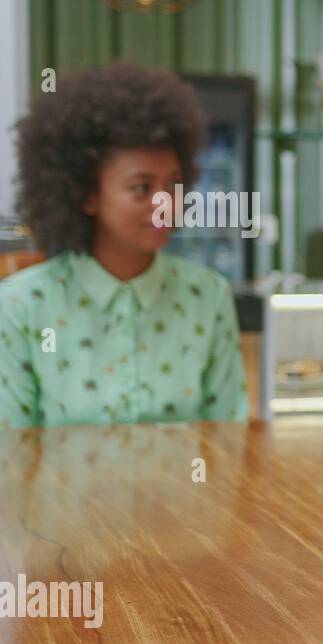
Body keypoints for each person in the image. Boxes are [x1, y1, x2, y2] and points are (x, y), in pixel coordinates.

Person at [0, 62, 246, 429]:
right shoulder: (22, 306)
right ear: (87, 195)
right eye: (141, 188)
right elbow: (11, 457)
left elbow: (229, 441)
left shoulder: (207, 297)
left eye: (174, 183)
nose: (166, 204)